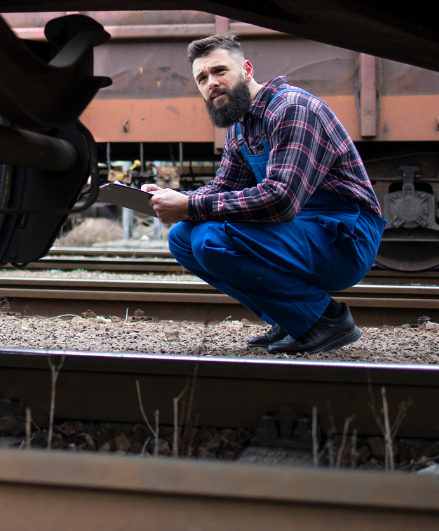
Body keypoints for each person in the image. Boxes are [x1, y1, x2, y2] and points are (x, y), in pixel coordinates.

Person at [144, 33, 386, 355]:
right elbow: (222, 189)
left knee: (209, 238)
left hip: (344, 236)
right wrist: (174, 197)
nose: (211, 83)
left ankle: (324, 320)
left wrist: (189, 205)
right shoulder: (240, 128)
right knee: (183, 238)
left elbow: (281, 199)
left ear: (246, 69)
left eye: (220, 71)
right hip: (301, 230)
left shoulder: (291, 109)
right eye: (202, 78)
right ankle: (291, 318)